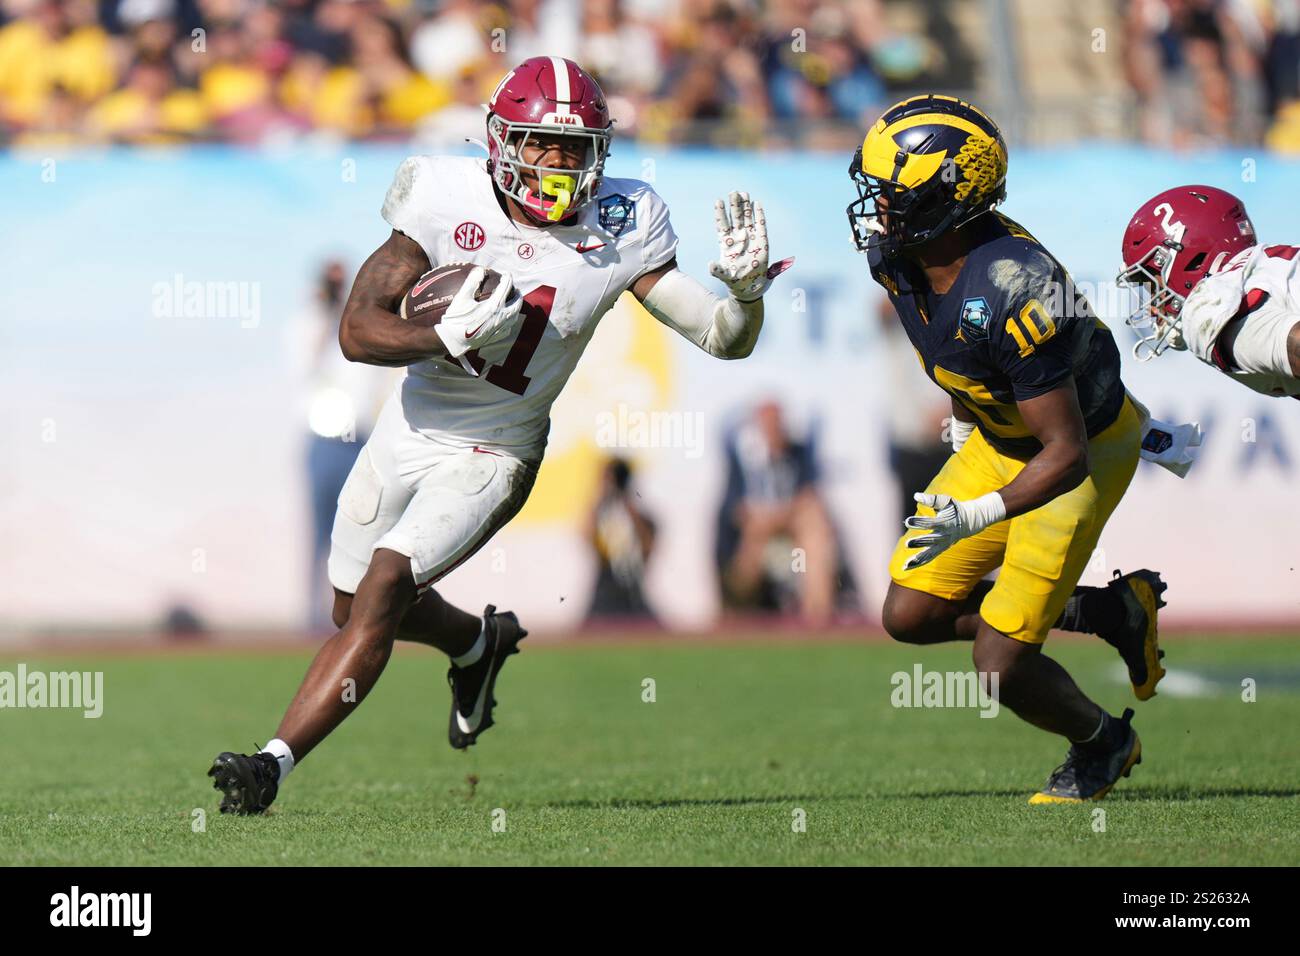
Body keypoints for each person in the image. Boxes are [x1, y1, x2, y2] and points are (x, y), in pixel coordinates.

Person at [208, 55, 791, 814]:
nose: (554, 163)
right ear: (499, 141)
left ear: (599, 153)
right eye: (538, 144)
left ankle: (270, 766)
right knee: (352, 609)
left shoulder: (625, 220)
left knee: (385, 585)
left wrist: (745, 299)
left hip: (497, 447)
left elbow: (721, 337)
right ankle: (476, 647)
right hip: (409, 424)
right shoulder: (443, 195)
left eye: (572, 148)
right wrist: (442, 338)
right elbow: (357, 331)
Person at [848, 94, 1168, 804]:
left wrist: (982, 511)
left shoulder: (1014, 287)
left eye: (895, 191)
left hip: (1074, 453)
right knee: (911, 614)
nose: (878, 208)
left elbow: (1066, 452)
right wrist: (968, 424)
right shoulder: (900, 256)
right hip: (1002, 436)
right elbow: (954, 357)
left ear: (951, 195)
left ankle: (1102, 743)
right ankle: (1111, 613)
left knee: (999, 663)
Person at [1118, 184, 1300, 398]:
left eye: (1152, 283)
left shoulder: (1209, 304)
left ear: (1184, 259)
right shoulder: (1268, 266)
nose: (1151, 306)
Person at [583, 457, 658, 624]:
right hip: (603, 599)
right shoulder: (603, 521)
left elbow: (648, 548)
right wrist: (601, 497)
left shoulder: (643, 520)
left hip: (633, 597)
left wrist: (628, 504)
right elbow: (586, 537)